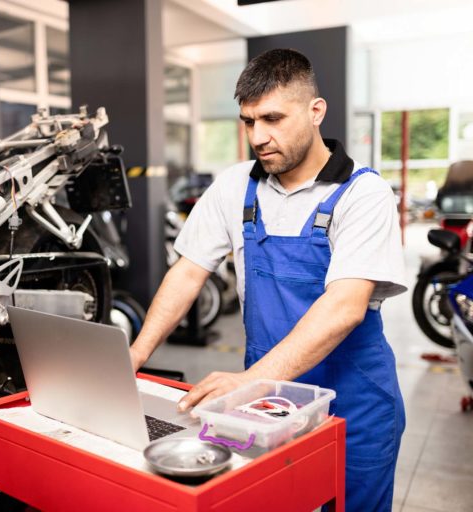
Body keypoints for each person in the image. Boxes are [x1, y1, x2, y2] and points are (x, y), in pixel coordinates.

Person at [130, 48, 406, 511]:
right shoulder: (235, 186)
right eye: (248, 121)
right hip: (268, 400)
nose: (258, 136)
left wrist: (250, 381)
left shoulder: (363, 193)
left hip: (353, 401)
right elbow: (188, 271)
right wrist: (133, 357)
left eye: (273, 118)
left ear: (316, 112)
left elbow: (344, 307)